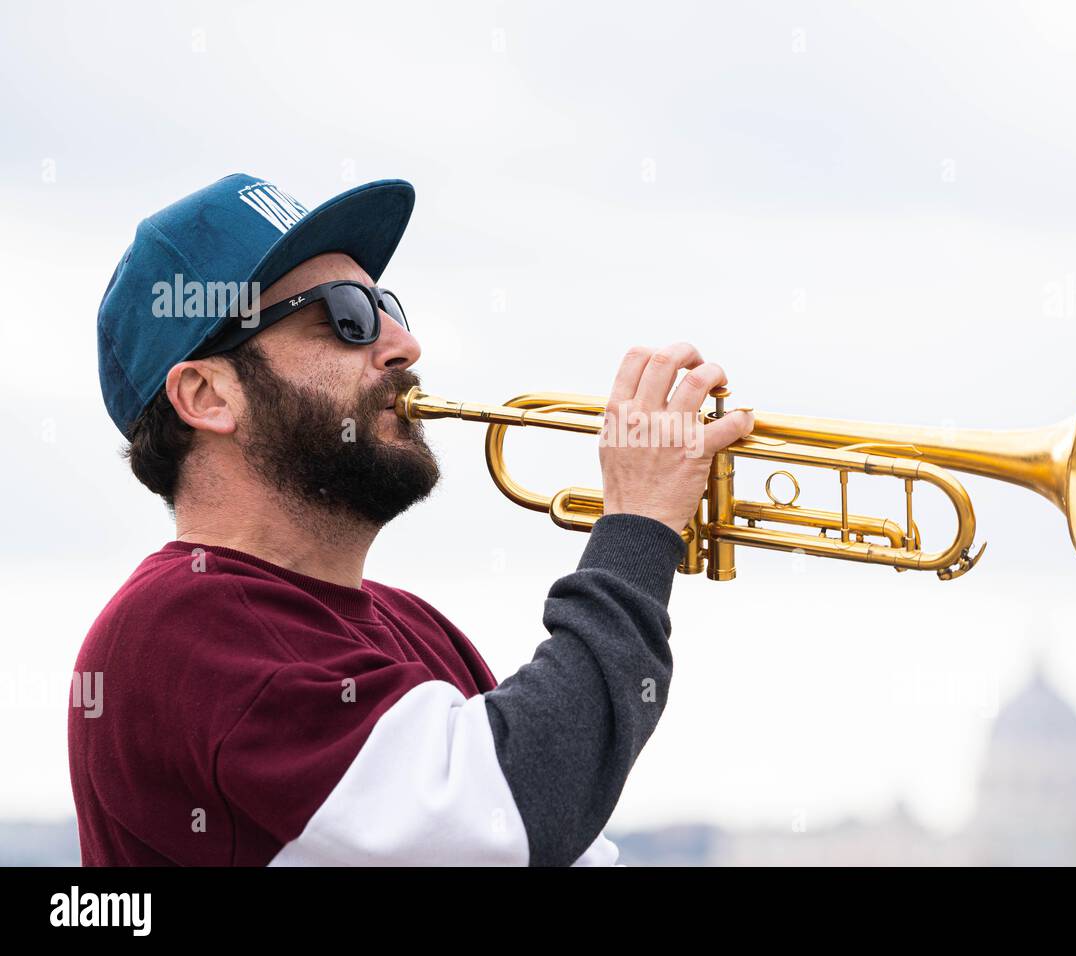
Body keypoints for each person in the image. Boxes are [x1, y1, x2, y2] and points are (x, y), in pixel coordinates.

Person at [69, 173, 754, 866]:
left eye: (386, 305)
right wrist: (637, 527)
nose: (403, 344)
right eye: (346, 317)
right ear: (208, 393)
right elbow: (509, 815)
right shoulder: (176, 626)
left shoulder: (415, 626)